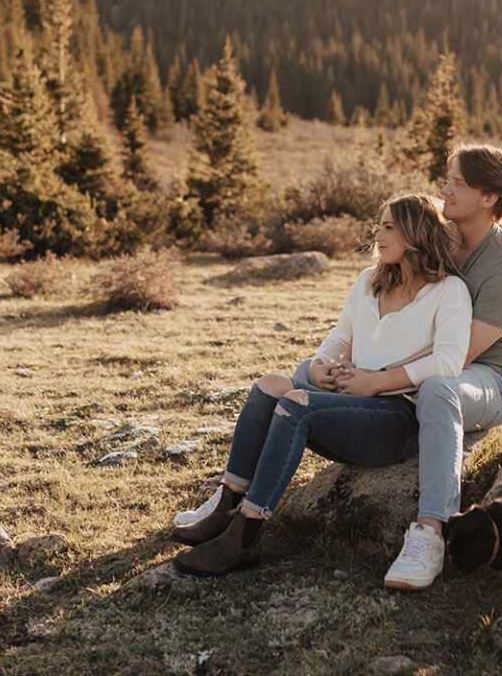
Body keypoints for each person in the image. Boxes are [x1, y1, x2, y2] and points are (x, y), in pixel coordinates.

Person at [171, 192, 471, 577]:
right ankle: (227, 504)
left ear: (416, 233)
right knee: (272, 385)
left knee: (297, 405)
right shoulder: (369, 281)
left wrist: (376, 383)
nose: (377, 234)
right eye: (379, 225)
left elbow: (448, 361)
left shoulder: (449, 291)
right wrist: (319, 368)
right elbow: (339, 338)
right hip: (347, 401)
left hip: (396, 417)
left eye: (389, 227)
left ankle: (246, 534)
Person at [379, 143, 502, 590]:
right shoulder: (439, 239)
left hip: (493, 379)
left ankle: (431, 532)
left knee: (437, 389)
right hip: (431, 360)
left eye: (458, 183)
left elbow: (459, 356)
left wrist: (380, 376)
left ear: (489, 198)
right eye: (448, 179)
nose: (445, 189)